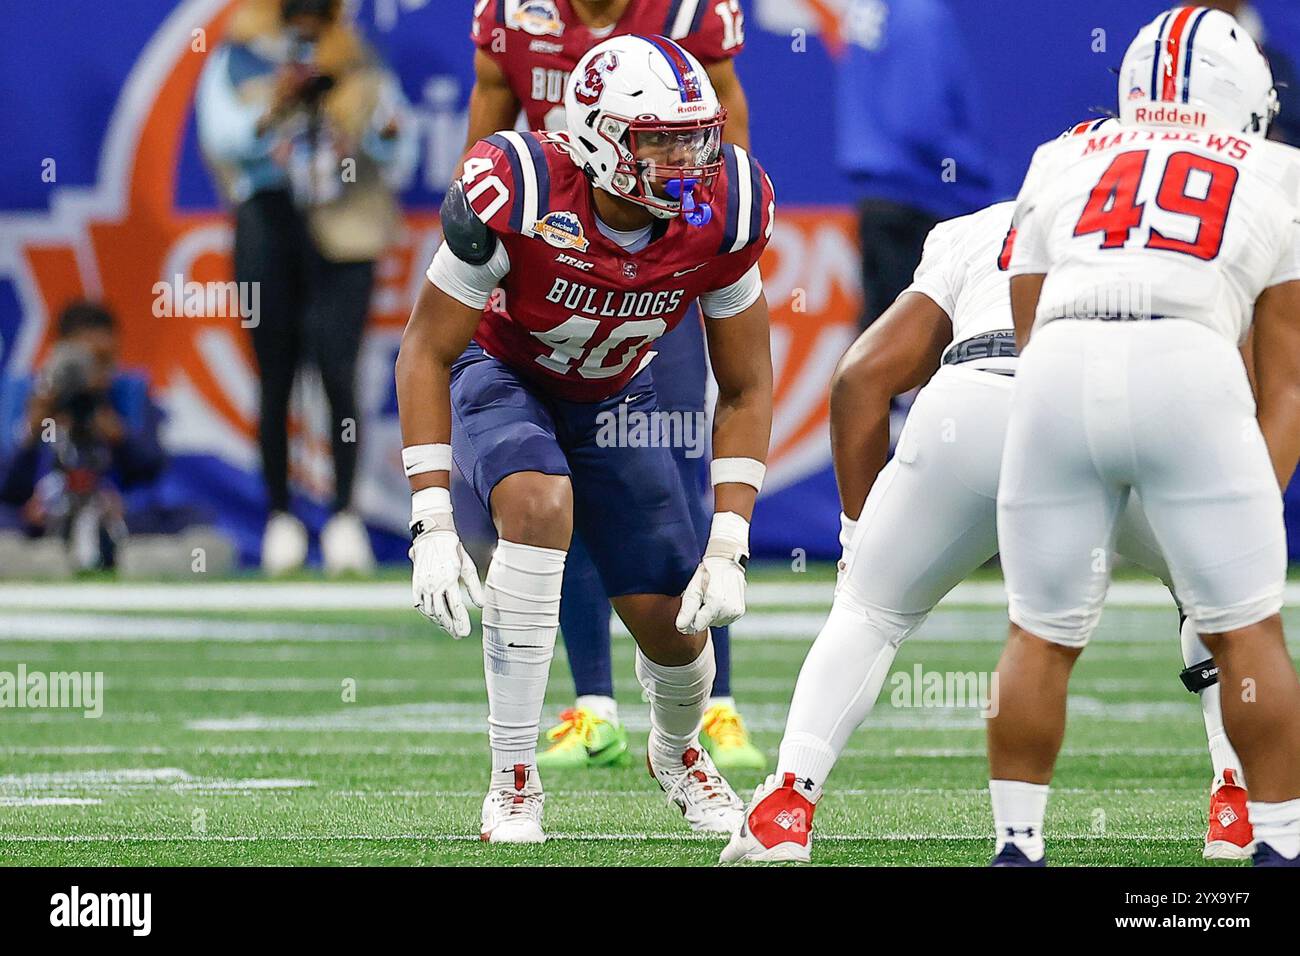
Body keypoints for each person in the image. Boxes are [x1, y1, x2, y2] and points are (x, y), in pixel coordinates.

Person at [720, 118, 1256, 865]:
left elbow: (860, 380)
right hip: (1115, 409)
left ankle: (786, 805)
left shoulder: (980, 230)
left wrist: (855, 531)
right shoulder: (1183, 234)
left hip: (970, 405)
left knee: (870, 612)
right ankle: (1237, 803)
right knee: (1221, 601)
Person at [396, 35, 775, 843]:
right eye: (662, 142)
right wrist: (430, 520)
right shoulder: (523, 186)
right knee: (539, 502)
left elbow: (745, 386)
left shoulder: (725, 210)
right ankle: (514, 778)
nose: (690, 160)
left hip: (611, 394)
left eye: (695, 136)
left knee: (678, 628)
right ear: (601, 138)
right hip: (501, 370)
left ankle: (675, 751)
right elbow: (424, 350)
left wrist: (730, 540)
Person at [993, 7, 1300, 866]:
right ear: (1243, 94)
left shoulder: (1065, 154)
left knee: (1040, 632)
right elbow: (1289, 379)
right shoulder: (1279, 170)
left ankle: (1016, 845)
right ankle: (1278, 842)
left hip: (1058, 363)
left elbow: (1030, 324)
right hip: (1187, 360)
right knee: (1248, 631)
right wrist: (1246, 507)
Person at [196, 0, 409, 574]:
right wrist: (280, 100)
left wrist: (364, 117)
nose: (308, 23)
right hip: (269, 220)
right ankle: (279, 515)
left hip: (340, 224)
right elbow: (225, 140)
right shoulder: (239, 61)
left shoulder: (357, 59)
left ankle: (343, 515)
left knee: (340, 371)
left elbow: (397, 147)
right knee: (276, 374)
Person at [835, 0, 993, 329]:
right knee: (917, 351)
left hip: (881, 203)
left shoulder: (872, 9)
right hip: (922, 207)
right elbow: (919, 123)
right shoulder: (919, 14)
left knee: (879, 347)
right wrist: (984, 176)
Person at [0, 302, 165, 569]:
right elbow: (7, 485)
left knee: (184, 516)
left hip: (112, 516)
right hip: (37, 518)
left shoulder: (127, 392)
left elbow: (151, 472)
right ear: (59, 353)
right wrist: (32, 430)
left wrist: (117, 434)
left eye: (108, 359)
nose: (99, 371)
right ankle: (30, 557)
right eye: (89, 359)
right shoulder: (26, 393)